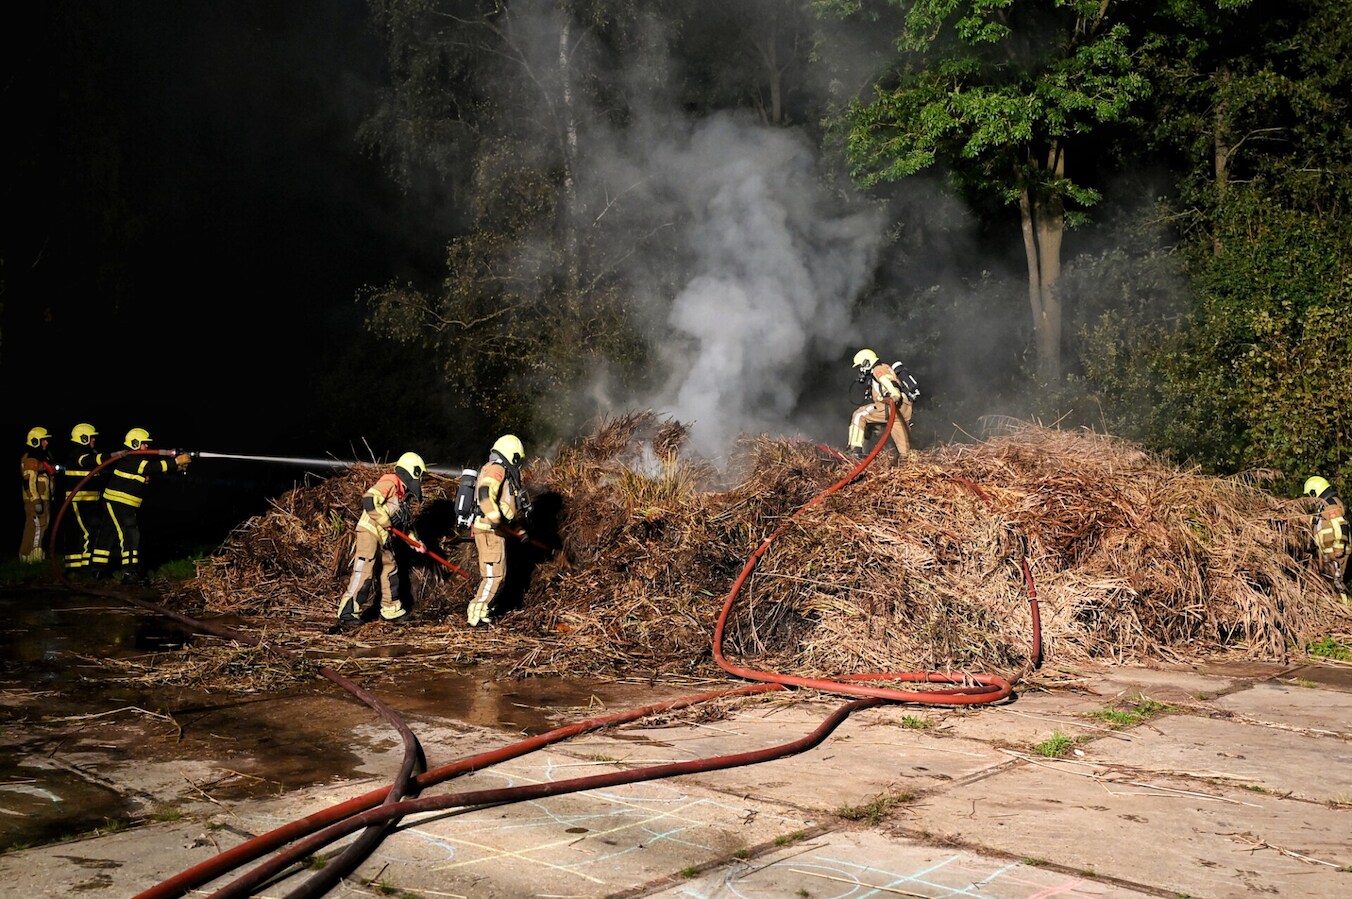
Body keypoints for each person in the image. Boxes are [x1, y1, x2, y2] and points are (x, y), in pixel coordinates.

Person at [333, 452, 426, 630]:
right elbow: (369, 500)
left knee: (391, 569)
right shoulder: (390, 482)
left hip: (385, 536)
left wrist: (416, 543)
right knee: (364, 569)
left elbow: (403, 528)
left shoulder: (401, 494)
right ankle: (347, 612)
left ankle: (391, 609)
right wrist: (385, 522)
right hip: (370, 531)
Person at [89, 428, 192, 585]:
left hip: (119, 502)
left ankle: (97, 570)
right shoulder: (132, 458)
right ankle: (129, 572)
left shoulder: (135, 460)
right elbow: (150, 468)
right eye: (144, 444)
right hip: (118, 502)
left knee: (108, 533)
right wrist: (176, 461)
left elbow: (149, 471)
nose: (147, 447)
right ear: (135, 444)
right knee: (130, 534)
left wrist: (176, 467)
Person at [467, 434, 529, 627]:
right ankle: (477, 613)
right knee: (493, 576)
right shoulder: (497, 469)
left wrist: (517, 530)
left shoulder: (498, 470)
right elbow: (485, 494)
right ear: (513, 456)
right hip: (489, 531)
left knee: (496, 574)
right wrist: (495, 519)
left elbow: (504, 509)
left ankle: (484, 609)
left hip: (494, 531)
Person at [59, 423, 119, 571]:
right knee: (87, 531)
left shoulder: (89, 452)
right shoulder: (77, 453)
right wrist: (112, 455)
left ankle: (82, 565)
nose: (94, 440)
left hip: (90, 500)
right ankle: (79, 567)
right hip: (78, 500)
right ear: (84, 438)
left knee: (89, 531)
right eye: (92, 438)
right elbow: (88, 461)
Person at [847, 348, 917, 460]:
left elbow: (887, 382)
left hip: (891, 405)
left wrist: (894, 394)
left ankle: (855, 451)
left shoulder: (878, 370)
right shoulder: (886, 367)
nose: (861, 370)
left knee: (859, 415)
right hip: (903, 409)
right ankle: (907, 462)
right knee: (904, 451)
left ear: (866, 362)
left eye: (861, 366)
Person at [1303, 476, 1348, 599]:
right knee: (1330, 583)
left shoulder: (1330, 504)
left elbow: (1340, 525)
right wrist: (1307, 519)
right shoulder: (1324, 506)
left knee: (1337, 585)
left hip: (1335, 552)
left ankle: (1345, 611)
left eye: (1310, 495)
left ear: (1314, 491)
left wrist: (1339, 546)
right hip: (1327, 552)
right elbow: (1321, 521)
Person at [19, 427, 57, 562]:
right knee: (37, 527)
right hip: (37, 499)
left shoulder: (42, 457)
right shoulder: (31, 458)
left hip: (44, 498)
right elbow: (29, 482)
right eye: (43, 440)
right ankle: (32, 558)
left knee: (41, 527)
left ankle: (32, 556)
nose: (46, 443)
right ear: (35, 441)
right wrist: (36, 500)